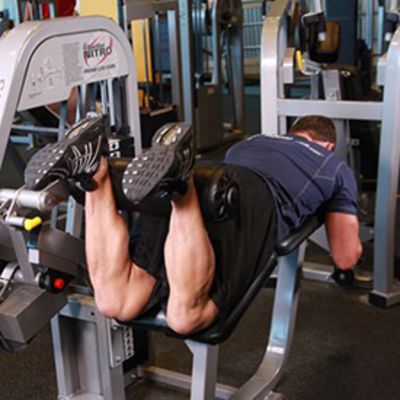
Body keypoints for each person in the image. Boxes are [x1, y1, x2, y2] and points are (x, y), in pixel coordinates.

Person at [24, 115, 362, 335]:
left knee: (115, 303)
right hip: (248, 201)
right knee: (186, 317)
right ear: (327, 144)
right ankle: (180, 189)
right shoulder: (333, 164)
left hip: (209, 179)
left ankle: (95, 174)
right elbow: (345, 257)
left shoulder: (254, 141)